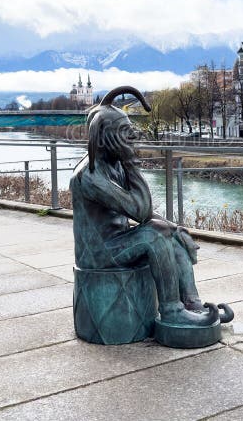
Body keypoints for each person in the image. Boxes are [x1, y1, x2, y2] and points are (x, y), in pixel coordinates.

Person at [70, 86, 216, 327]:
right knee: (155, 236)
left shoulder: (112, 165)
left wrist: (174, 228)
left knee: (171, 234)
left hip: (116, 242)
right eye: (126, 132)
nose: (133, 137)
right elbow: (140, 211)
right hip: (98, 254)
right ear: (106, 136)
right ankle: (171, 312)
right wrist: (130, 161)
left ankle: (193, 304)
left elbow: (141, 212)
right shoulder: (90, 176)